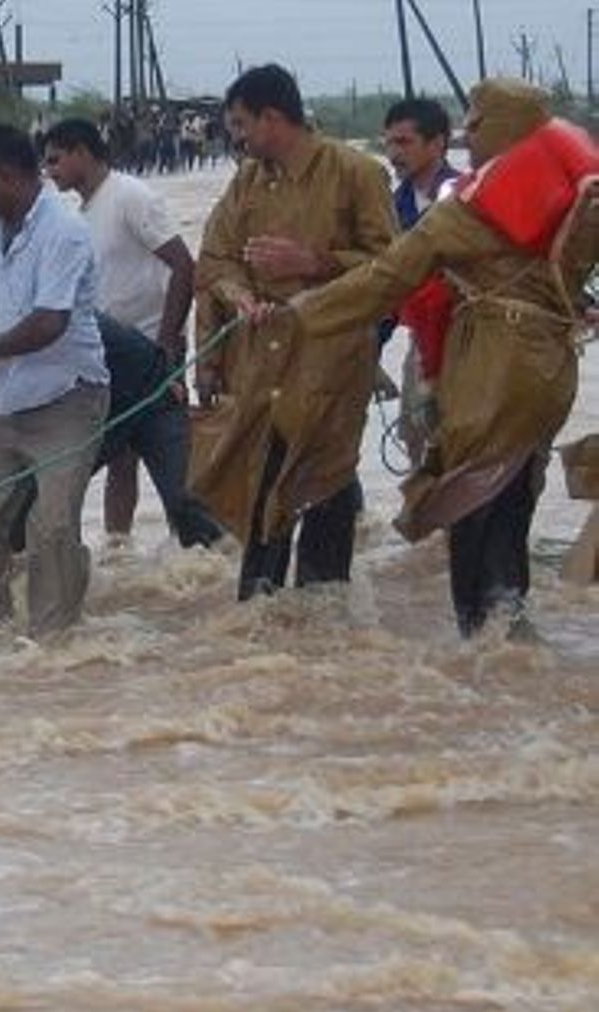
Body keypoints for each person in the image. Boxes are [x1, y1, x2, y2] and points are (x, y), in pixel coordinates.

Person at [280, 79, 598, 638]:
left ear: (502, 129)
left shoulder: (469, 211)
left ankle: (481, 639)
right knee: (514, 493)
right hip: (550, 364)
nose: (466, 134)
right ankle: (511, 629)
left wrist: (307, 310)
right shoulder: (571, 194)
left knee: (468, 501)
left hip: (494, 364)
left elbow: (388, 276)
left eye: (475, 123)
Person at [190, 63, 397, 600]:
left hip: (332, 359)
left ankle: (321, 627)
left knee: (324, 483)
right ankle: (261, 619)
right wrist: (239, 298)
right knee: (259, 483)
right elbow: (213, 261)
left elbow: (394, 269)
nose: (234, 137)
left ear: (273, 118)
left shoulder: (356, 172)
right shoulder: (247, 180)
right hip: (258, 358)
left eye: (239, 125)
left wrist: (315, 261)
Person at [0, 244, 221, 551]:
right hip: (95, 417)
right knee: (18, 516)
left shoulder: (40, 319)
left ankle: (223, 596)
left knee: (187, 508)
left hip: (152, 399)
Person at [0, 123, 110, 637]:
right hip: (7, 399)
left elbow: (49, 321)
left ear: (11, 175)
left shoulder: (64, 230)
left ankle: (54, 647)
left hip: (68, 398)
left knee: (53, 526)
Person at [42, 117, 197, 543]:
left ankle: (199, 555)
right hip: (109, 358)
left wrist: (166, 344)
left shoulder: (130, 196)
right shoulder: (83, 213)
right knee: (119, 460)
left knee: (173, 463)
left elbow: (184, 266)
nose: (50, 171)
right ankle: (119, 550)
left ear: (82, 152)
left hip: (151, 351)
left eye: (55, 160)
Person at [380, 96, 463, 459]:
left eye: (404, 142)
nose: (394, 153)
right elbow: (382, 286)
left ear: (438, 143)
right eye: (389, 143)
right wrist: (369, 352)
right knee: (417, 441)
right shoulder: (389, 209)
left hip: (472, 336)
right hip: (421, 341)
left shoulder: (469, 197)